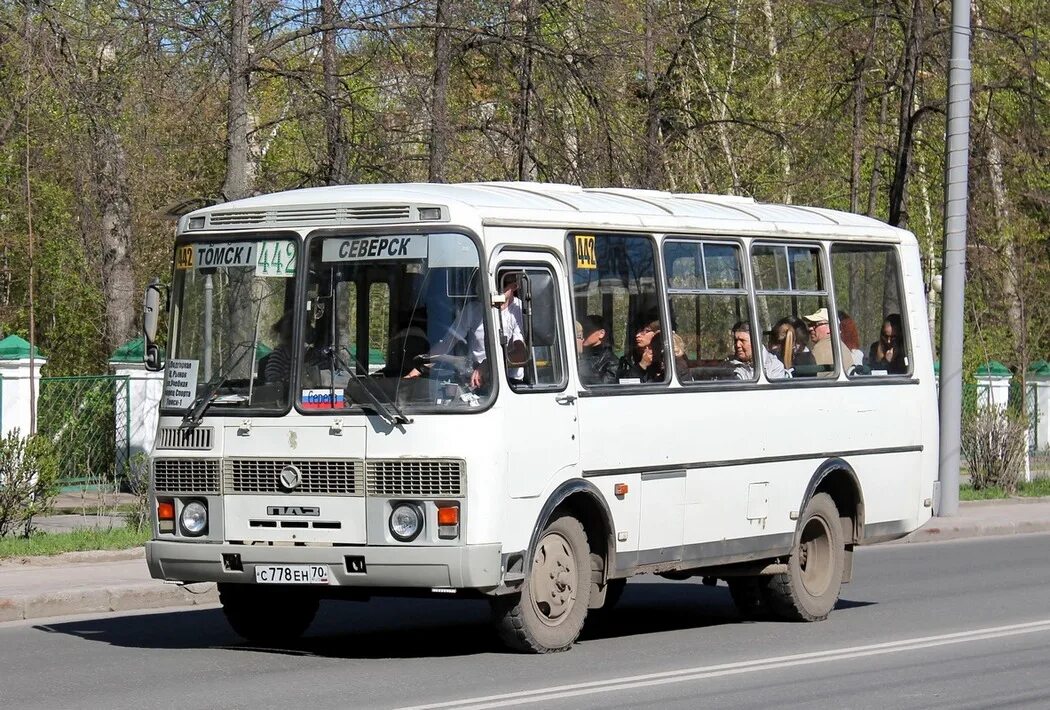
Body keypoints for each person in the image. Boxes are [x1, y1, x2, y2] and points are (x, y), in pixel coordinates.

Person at [406, 273, 525, 390]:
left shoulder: (519, 311)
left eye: (499, 284)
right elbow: (447, 343)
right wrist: (416, 371)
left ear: (515, 285)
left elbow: (522, 353)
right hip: (476, 380)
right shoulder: (472, 310)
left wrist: (489, 364)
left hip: (509, 383)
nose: (492, 290)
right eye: (486, 284)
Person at [802, 307, 852, 376]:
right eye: (810, 325)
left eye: (815, 324)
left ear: (830, 327)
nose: (810, 328)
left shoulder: (822, 349)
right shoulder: (841, 346)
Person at [619, 319, 668, 383]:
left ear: (657, 333)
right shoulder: (631, 358)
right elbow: (628, 384)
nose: (637, 335)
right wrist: (642, 365)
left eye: (645, 331)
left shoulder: (667, 357)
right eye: (637, 331)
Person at [576, 315, 619, 385]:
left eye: (587, 330)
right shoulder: (579, 354)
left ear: (601, 334)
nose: (583, 334)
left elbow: (603, 387)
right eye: (582, 331)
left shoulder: (611, 362)